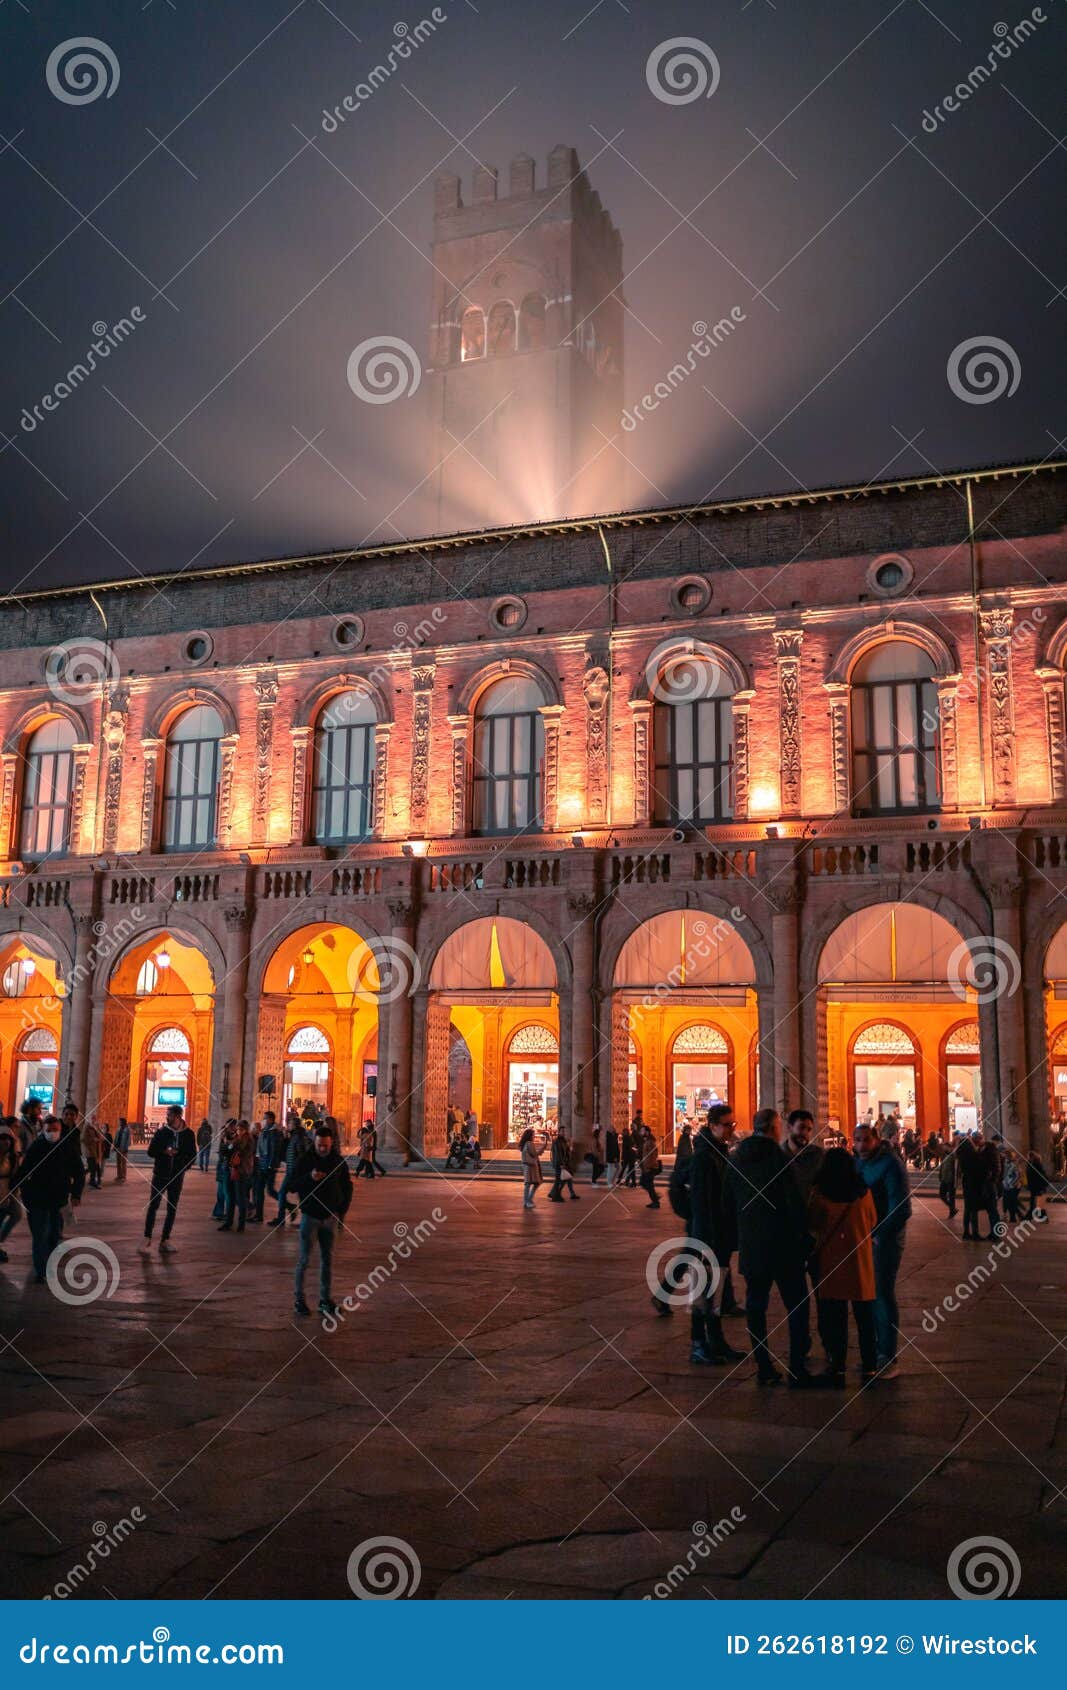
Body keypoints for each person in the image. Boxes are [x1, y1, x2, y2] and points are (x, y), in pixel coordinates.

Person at [727, 1108, 814, 1387]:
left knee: (756, 1307)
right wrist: (804, 1240)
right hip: (784, 1247)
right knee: (797, 1306)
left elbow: (726, 1202)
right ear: (774, 1128)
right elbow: (793, 1204)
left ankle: (763, 1365)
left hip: (753, 1246)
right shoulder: (779, 1158)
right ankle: (797, 1366)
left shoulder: (736, 1158)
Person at [808, 1148, 879, 1386]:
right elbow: (873, 1221)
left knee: (834, 1318)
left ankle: (837, 1365)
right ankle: (870, 1365)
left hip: (831, 1262)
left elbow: (813, 1224)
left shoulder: (820, 1194)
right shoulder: (863, 1193)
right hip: (860, 1261)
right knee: (865, 1317)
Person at [686, 1104, 745, 1365]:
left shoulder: (720, 1152)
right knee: (702, 1292)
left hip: (718, 1234)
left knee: (715, 1292)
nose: (731, 1129)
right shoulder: (704, 1157)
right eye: (726, 1125)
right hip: (707, 1235)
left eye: (733, 1125)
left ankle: (717, 1341)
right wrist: (707, 1234)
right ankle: (699, 1344)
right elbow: (701, 1201)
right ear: (712, 1126)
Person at [854, 1120, 911, 1378]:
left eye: (866, 1140)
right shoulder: (859, 1162)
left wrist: (879, 1236)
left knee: (881, 1294)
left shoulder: (890, 1164)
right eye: (858, 1140)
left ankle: (888, 1357)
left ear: (876, 1139)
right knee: (867, 1295)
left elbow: (901, 1208)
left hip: (884, 1240)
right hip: (864, 1238)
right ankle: (875, 1353)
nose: (862, 1145)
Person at [291, 1123, 352, 1317]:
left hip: (330, 1217)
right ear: (315, 1143)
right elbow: (292, 1184)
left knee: (328, 1260)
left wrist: (341, 1210)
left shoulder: (338, 1161)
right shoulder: (305, 1161)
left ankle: (325, 1300)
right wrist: (309, 1177)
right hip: (310, 1217)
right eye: (320, 1145)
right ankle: (299, 1299)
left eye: (326, 1145)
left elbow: (347, 1186)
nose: (323, 1148)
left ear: (331, 1143)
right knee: (304, 1260)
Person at [16, 1116, 74, 1283]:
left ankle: (48, 1263)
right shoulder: (37, 1147)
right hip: (38, 1198)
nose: (52, 1133)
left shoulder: (66, 1147)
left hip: (58, 1199)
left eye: (55, 1130)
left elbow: (77, 1169)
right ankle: (41, 1270)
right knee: (39, 1234)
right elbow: (25, 1169)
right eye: (49, 1130)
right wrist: (17, 1187)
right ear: (43, 1130)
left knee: (54, 1234)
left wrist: (75, 1192)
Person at [138, 1106, 196, 1255]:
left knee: (172, 1208)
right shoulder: (162, 1132)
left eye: (169, 1115)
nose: (167, 1118)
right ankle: (147, 1237)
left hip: (177, 1177)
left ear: (178, 1117)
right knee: (153, 1205)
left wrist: (182, 1165)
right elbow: (151, 1152)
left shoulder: (189, 1134)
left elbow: (192, 1156)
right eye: (167, 1115)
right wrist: (164, 1152)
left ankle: (165, 1239)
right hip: (160, 1175)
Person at [957, 1130, 999, 1241]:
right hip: (978, 1185)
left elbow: (994, 1167)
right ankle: (984, 1234)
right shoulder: (974, 1154)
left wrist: (992, 1178)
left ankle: (974, 1233)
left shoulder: (983, 1151)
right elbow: (984, 1167)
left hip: (980, 1184)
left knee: (975, 1209)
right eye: (974, 1141)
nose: (975, 1144)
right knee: (989, 1210)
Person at [270, 1115, 307, 1226]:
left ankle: (283, 1218)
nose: (288, 1126)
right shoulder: (294, 1136)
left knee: (284, 1193)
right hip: (292, 1170)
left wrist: (296, 1169)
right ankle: (290, 1216)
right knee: (300, 1195)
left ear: (294, 1125)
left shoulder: (298, 1137)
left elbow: (301, 1155)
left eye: (289, 1124)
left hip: (294, 1171)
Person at [218, 1120, 254, 1232]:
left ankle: (241, 1224)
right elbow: (225, 1150)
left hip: (241, 1171)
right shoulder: (235, 1139)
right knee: (230, 1197)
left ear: (245, 1129)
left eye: (241, 1129)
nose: (238, 1131)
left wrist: (230, 1144)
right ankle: (228, 1222)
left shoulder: (248, 1140)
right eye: (238, 1129)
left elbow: (242, 1152)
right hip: (230, 1170)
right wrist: (227, 1143)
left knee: (240, 1198)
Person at [782, 1110, 824, 1204]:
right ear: (789, 1127)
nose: (805, 1133)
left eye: (809, 1130)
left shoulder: (818, 1155)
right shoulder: (778, 1155)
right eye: (801, 1127)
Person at [0, 1120, 22, 1262]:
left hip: (8, 1192)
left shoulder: (13, 1157)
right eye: (2, 1139)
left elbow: (16, 1175)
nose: (5, 1142)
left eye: (8, 1139)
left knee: (17, 1214)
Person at [548, 1126, 580, 1202]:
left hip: (565, 1162)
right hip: (560, 1164)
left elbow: (566, 1151)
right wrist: (561, 1164)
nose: (564, 1133)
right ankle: (555, 1195)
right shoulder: (557, 1141)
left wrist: (570, 1147)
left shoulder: (563, 1141)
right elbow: (558, 1154)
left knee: (568, 1177)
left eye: (564, 1131)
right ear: (558, 1132)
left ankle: (571, 1194)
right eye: (562, 1131)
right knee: (559, 1180)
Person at [638, 1123, 661, 1209]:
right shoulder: (647, 1140)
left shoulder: (650, 1141)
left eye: (642, 1130)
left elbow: (653, 1154)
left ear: (647, 1132)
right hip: (646, 1167)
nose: (641, 1132)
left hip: (650, 1167)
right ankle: (655, 1198)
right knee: (644, 1183)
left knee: (648, 1185)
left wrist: (648, 1165)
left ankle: (655, 1201)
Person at [519, 1127, 542, 1209]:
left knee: (529, 1184)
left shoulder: (524, 1144)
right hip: (531, 1166)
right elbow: (534, 1154)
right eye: (533, 1135)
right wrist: (542, 1149)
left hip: (526, 1166)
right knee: (533, 1183)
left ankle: (527, 1201)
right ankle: (528, 1200)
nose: (534, 1136)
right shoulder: (530, 1143)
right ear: (530, 1135)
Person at [1025, 1150, 1051, 1221]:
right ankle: (1035, 1216)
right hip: (1035, 1186)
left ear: (1031, 1157)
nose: (1027, 1158)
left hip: (1038, 1186)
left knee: (1036, 1202)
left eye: (1028, 1156)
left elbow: (1039, 1176)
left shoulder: (1036, 1164)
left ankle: (1034, 1216)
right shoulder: (1031, 1163)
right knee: (1035, 1202)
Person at [82, 1118, 105, 1190]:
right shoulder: (86, 1128)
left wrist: (98, 1129)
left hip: (96, 1152)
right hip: (90, 1152)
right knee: (93, 1168)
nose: (94, 1120)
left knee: (95, 1168)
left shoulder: (94, 1128)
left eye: (95, 1119)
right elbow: (83, 1139)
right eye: (93, 1119)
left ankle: (93, 1181)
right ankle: (92, 1181)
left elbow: (100, 1137)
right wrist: (93, 1139)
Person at [938, 1140, 958, 1218]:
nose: (944, 1149)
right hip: (944, 1178)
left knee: (951, 1196)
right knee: (942, 1194)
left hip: (951, 1179)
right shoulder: (944, 1155)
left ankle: (952, 1212)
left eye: (945, 1147)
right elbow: (942, 1167)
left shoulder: (953, 1156)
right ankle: (953, 1209)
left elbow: (955, 1168)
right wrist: (940, 1175)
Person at [1001, 1148, 1022, 1223]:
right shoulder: (1006, 1163)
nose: (1004, 1157)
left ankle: (1015, 1216)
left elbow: (1018, 1175)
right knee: (1008, 1201)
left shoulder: (1014, 1164)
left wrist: (1016, 1183)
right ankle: (1013, 1216)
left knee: (1011, 1201)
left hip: (1012, 1185)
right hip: (1006, 1185)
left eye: (1005, 1155)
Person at [113, 1117, 131, 1183]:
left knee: (123, 1163)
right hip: (118, 1147)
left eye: (120, 1121)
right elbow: (116, 1138)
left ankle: (123, 1176)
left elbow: (128, 1140)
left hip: (123, 1148)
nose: (119, 1122)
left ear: (123, 1122)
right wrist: (114, 1146)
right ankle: (119, 1175)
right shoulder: (118, 1129)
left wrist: (125, 1148)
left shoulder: (127, 1129)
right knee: (118, 1162)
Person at [620, 1123, 638, 1187]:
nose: (631, 1128)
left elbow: (626, 1148)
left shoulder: (628, 1137)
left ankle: (621, 1180)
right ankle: (632, 1182)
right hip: (631, 1156)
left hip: (628, 1156)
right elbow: (632, 1146)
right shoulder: (630, 1136)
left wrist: (622, 1157)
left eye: (631, 1127)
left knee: (626, 1169)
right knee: (631, 1169)